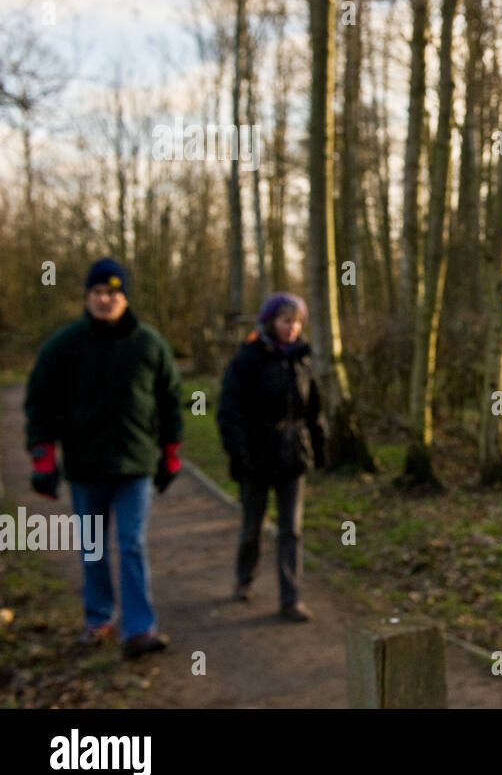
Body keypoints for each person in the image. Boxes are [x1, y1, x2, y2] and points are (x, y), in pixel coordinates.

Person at [23, 257, 182, 659]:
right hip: (86, 467)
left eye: (112, 292)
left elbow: (170, 401)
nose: (104, 299)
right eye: (97, 292)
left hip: (135, 464)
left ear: (124, 296)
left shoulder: (149, 344)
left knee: (131, 543)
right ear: (87, 297)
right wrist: (43, 458)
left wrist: (171, 453)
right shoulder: (64, 346)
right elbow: (39, 402)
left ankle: (139, 629)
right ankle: (98, 619)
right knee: (92, 547)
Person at [217, 292, 325, 622]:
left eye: (296, 321)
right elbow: (229, 410)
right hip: (256, 456)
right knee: (253, 525)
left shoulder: (303, 360)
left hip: (293, 456)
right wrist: (238, 452)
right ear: (270, 322)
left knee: (291, 529)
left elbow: (313, 410)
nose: (291, 328)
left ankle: (291, 598)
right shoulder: (247, 360)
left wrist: (319, 447)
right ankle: (244, 578)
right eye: (285, 321)